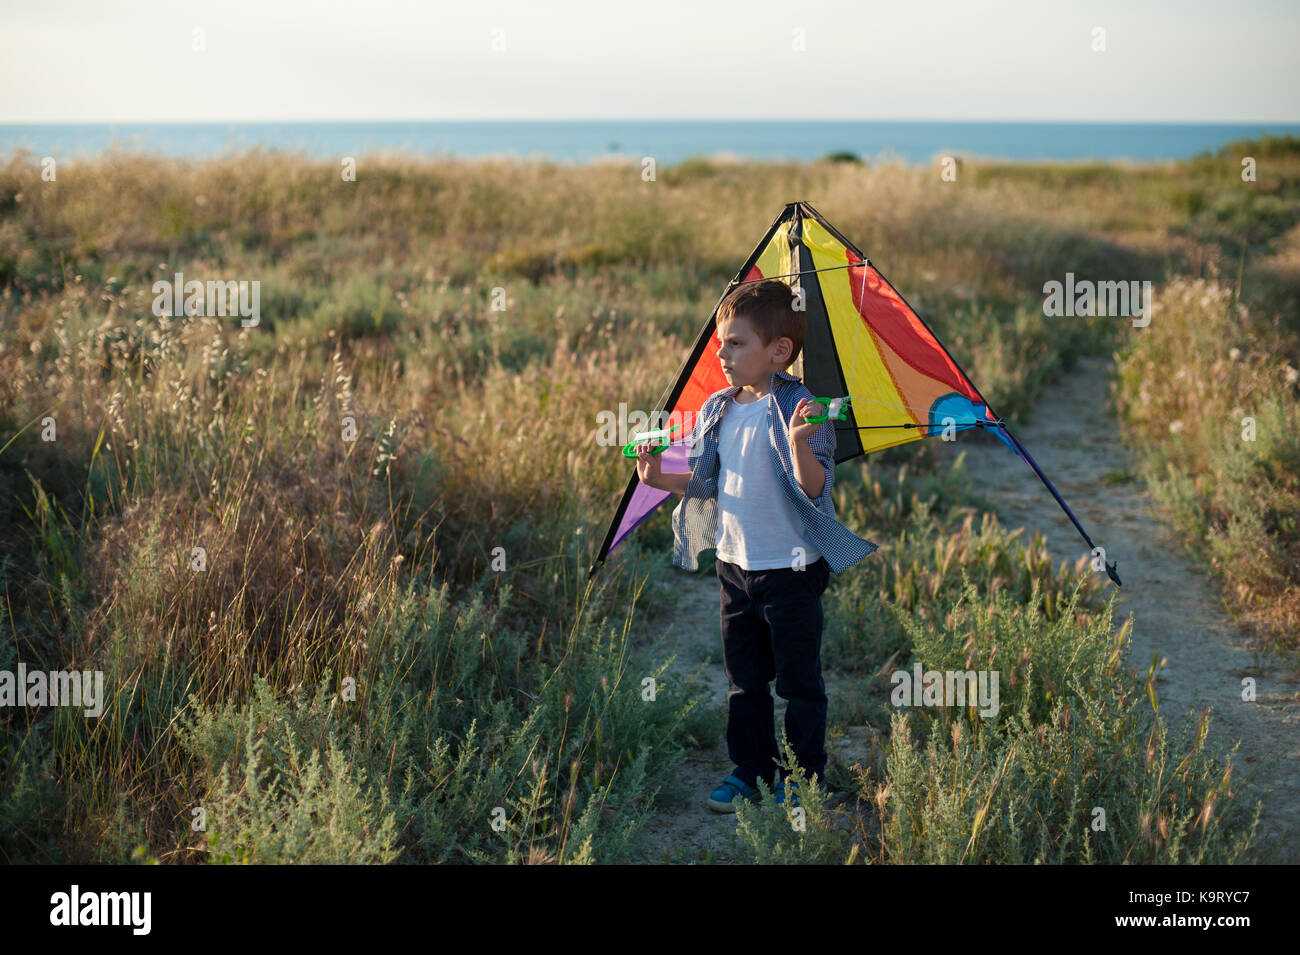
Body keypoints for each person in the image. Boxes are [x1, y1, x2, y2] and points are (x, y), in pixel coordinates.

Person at [634, 278, 877, 812]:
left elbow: (815, 488)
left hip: (792, 570)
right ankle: (750, 770)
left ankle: (801, 775)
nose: (721, 353)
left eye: (736, 343)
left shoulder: (802, 406)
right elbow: (706, 478)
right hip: (734, 566)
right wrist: (658, 477)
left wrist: (798, 442)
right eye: (720, 342)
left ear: (779, 351)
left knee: (799, 683)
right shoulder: (719, 408)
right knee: (745, 682)